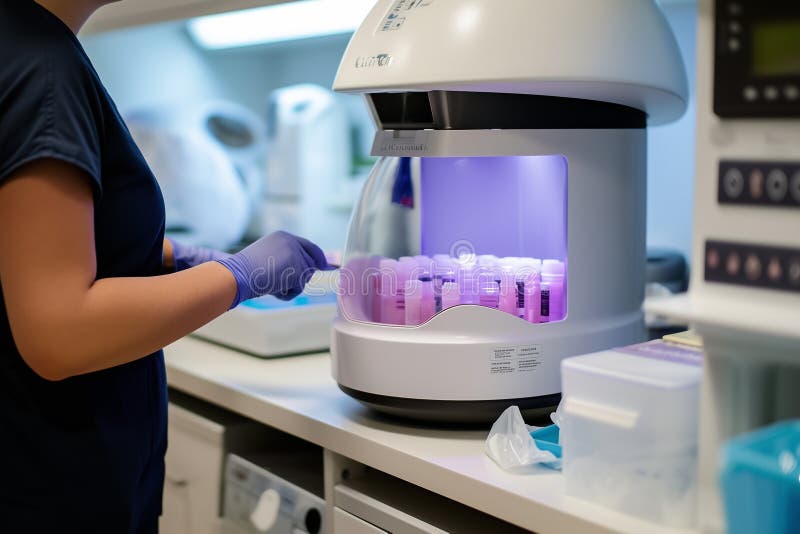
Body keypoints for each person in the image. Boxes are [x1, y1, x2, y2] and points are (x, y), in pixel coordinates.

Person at [0, 1, 329, 532]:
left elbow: (25, 244)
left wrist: (177, 258)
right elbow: (58, 333)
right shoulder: (43, 69)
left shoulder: (18, 44)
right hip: (53, 484)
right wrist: (240, 276)